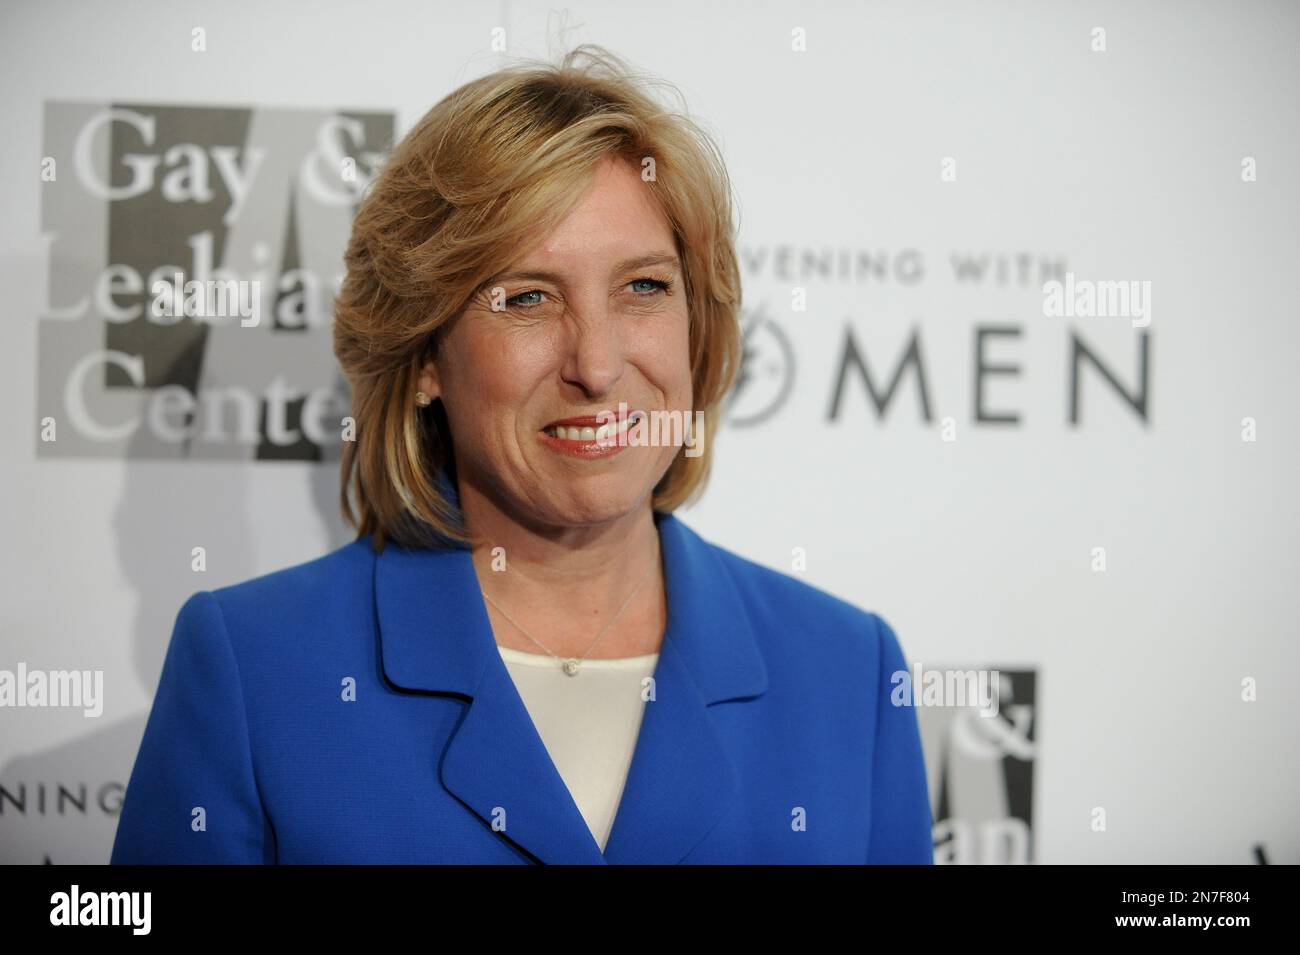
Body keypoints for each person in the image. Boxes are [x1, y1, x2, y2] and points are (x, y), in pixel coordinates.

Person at [110, 45, 933, 865]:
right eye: (528, 298)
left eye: (643, 287)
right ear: (425, 354)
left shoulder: (847, 675)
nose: (598, 365)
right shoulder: (255, 671)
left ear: (698, 326)